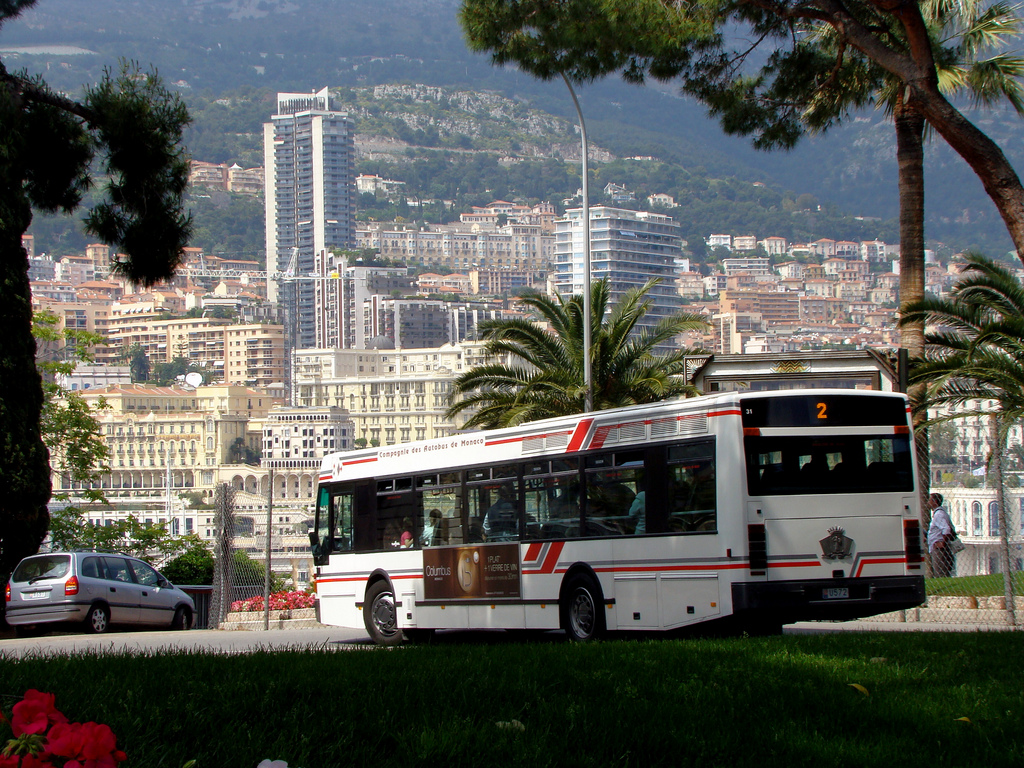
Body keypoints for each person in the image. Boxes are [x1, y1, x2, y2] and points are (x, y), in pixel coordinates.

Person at [927, 492, 956, 578]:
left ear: (935, 501)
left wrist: (942, 543)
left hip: (939, 549)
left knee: (940, 574)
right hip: (936, 547)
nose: (928, 502)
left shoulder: (939, 514)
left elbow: (946, 529)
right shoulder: (938, 514)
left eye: (930, 500)